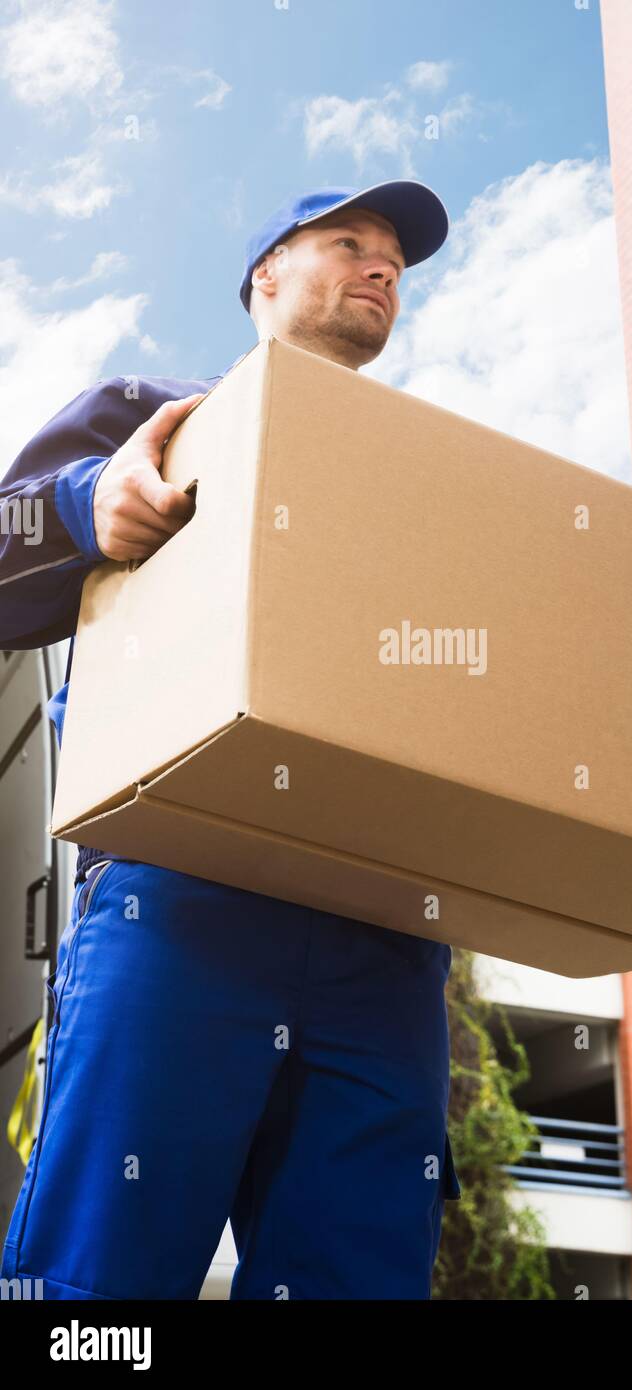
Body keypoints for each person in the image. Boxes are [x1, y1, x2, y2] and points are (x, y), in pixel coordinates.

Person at [0, 181, 462, 1301]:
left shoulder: (431, 485)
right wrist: (85, 505)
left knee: (356, 1275)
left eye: (395, 262)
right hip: (180, 896)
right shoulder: (154, 417)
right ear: (265, 276)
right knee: (102, 1280)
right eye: (348, 243)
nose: (381, 269)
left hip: (386, 931)